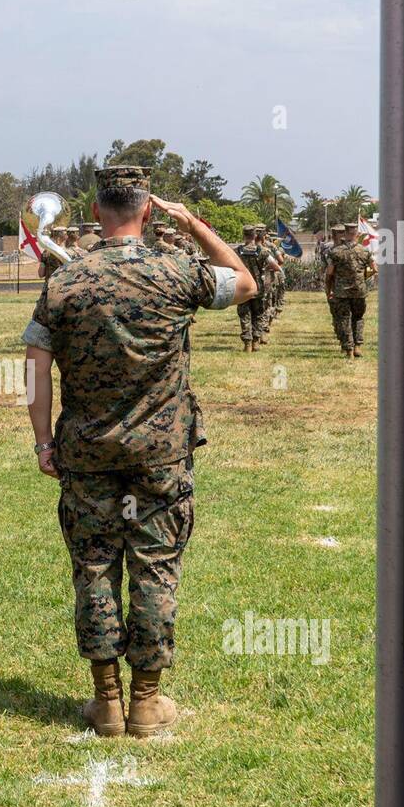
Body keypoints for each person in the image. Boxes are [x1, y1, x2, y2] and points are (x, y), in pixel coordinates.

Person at [22, 166, 256, 738]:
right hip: (161, 454)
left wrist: (42, 439)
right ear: (147, 210)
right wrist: (195, 223)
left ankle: (106, 701)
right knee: (156, 567)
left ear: (97, 212)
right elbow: (244, 282)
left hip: (86, 451)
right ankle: (147, 702)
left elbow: (35, 370)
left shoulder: (66, 282)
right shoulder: (175, 270)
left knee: (94, 566)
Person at [324, 222, 374, 358]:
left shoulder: (335, 252)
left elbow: (329, 274)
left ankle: (349, 350)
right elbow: (374, 269)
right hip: (359, 290)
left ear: (345, 234)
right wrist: (363, 277)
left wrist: (328, 291)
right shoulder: (365, 251)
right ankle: (357, 346)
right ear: (357, 234)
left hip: (341, 291)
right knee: (358, 318)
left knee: (344, 319)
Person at [234, 223, 275, 351]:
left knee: (244, 314)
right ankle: (256, 341)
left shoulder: (237, 251)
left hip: (242, 288)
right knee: (258, 314)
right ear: (255, 235)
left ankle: (247, 343)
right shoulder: (262, 251)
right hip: (258, 288)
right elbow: (275, 265)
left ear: (243, 235)